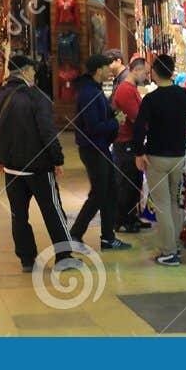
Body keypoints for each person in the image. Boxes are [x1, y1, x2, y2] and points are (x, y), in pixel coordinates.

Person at [0, 53, 79, 274]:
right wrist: (57, 159)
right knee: (52, 211)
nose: (35, 74)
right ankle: (64, 256)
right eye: (33, 71)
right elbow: (48, 132)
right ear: (27, 71)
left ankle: (27, 259)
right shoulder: (37, 97)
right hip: (39, 167)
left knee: (19, 215)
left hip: (12, 168)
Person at [133, 54, 186, 266]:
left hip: (156, 158)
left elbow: (138, 127)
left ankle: (169, 252)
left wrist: (138, 152)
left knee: (162, 204)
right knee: (174, 202)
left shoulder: (150, 100)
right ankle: (173, 247)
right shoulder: (185, 95)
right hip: (178, 157)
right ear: (171, 72)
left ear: (154, 72)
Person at [69, 52, 129, 251]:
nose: (110, 70)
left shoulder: (93, 89)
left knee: (109, 191)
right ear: (98, 70)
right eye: (106, 67)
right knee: (99, 193)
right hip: (93, 149)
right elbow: (93, 126)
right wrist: (115, 121)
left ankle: (107, 237)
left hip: (99, 147)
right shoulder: (88, 93)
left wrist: (111, 114)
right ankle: (76, 233)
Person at [111, 55, 150, 233]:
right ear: (136, 70)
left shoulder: (130, 88)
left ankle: (131, 217)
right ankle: (122, 220)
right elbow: (136, 118)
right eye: (146, 72)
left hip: (130, 141)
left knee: (135, 182)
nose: (147, 76)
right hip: (125, 142)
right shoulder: (126, 90)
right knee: (127, 183)